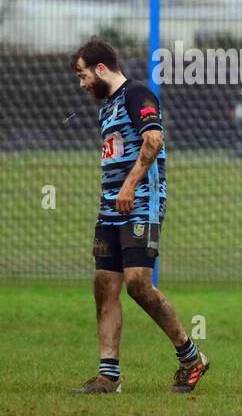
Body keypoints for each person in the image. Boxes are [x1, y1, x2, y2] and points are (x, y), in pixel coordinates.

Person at [71, 37, 210, 394]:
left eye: (83, 74)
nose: (82, 82)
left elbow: (153, 141)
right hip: (111, 207)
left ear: (101, 69)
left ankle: (191, 356)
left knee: (137, 283)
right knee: (104, 285)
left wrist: (130, 186)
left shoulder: (137, 95)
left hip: (141, 201)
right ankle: (108, 375)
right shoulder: (107, 107)